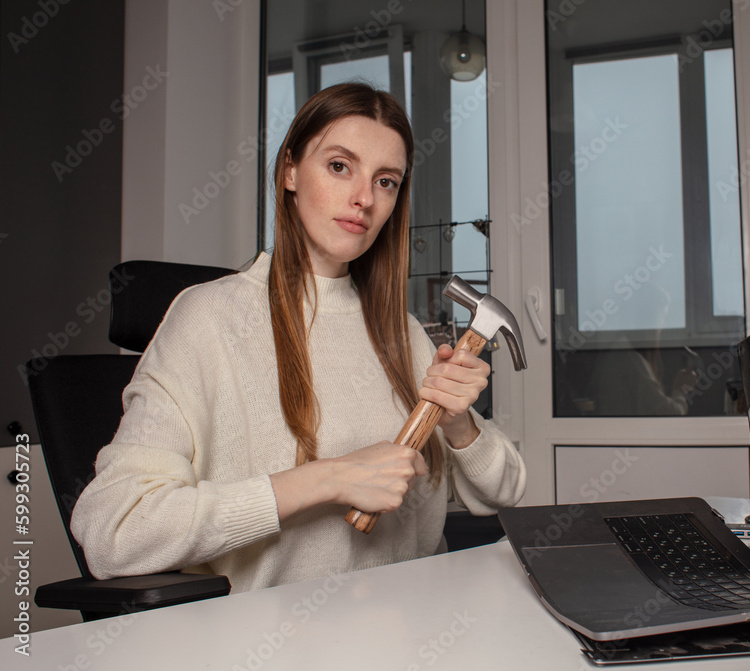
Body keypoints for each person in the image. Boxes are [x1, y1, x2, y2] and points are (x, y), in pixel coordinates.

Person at [71, 82, 527, 593]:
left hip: (416, 627)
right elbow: (113, 532)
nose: (363, 198)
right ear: (290, 169)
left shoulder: (405, 334)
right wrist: (326, 479)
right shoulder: (208, 320)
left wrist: (461, 424)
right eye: (339, 166)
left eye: (386, 181)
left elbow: (502, 491)